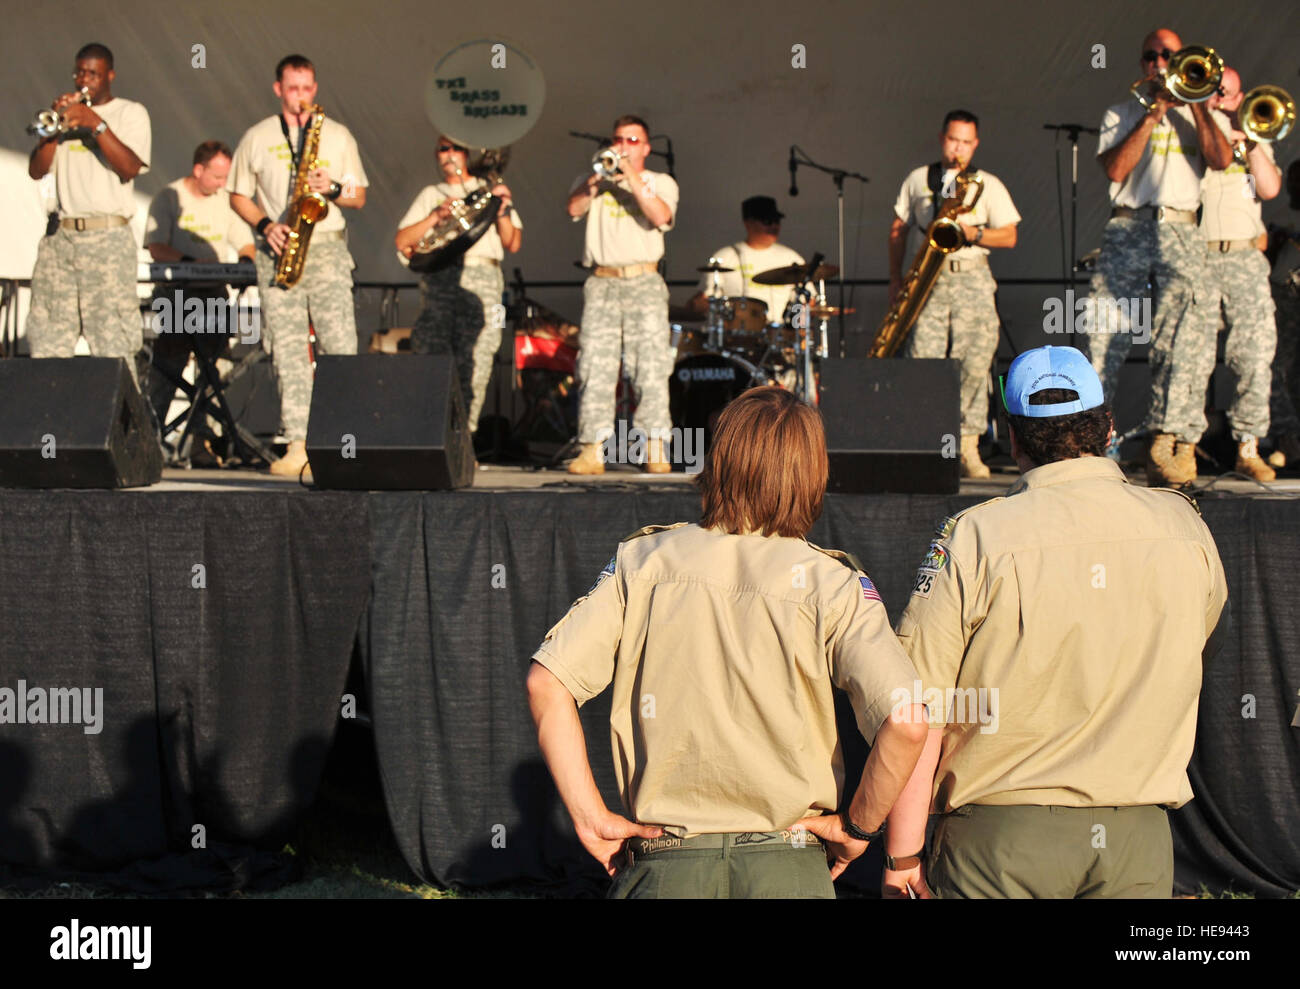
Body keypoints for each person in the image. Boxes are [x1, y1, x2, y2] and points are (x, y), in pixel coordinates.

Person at [527, 387, 927, 898]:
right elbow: (909, 721)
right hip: (789, 868)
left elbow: (547, 683)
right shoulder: (833, 583)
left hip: (666, 867)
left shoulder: (644, 562)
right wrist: (858, 828)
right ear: (813, 474)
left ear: (718, 461)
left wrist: (589, 816)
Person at [883, 345, 1228, 899]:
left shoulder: (975, 535)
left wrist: (902, 854)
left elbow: (918, 708)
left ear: (1012, 437)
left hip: (998, 842)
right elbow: (1202, 645)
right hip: (1135, 838)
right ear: (1109, 427)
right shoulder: (1184, 526)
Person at [1084, 28, 1233, 488]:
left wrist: (1200, 109)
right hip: (1129, 226)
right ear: (1142, 63)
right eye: (1151, 56)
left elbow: (1222, 161)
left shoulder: (1201, 114)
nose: (1160, 63)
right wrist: (1153, 114)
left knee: (1183, 338)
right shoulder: (1122, 111)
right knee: (1105, 337)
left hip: (1182, 229)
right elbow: (1115, 169)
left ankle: (1166, 441)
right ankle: (1097, 450)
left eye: (1170, 56)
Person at [228, 54, 368, 480]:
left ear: (316, 89)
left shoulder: (338, 135)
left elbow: (358, 196)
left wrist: (335, 187)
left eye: (308, 88)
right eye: (293, 88)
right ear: (278, 89)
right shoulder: (257, 136)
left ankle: (344, 437)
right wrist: (266, 225)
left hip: (325, 248)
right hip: (280, 246)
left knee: (339, 345)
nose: (301, 97)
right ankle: (298, 442)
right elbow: (237, 195)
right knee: (287, 348)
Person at [888, 110, 1020, 479]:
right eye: (952, 140)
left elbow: (1009, 235)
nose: (957, 148)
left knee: (974, 364)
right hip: (926, 279)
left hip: (972, 277)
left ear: (974, 144)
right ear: (941, 138)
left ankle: (966, 446)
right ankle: (926, 446)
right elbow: (898, 229)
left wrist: (972, 233)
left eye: (965, 142)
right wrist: (894, 279)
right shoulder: (919, 179)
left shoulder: (986, 183)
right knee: (923, 363)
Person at [25, 43, 151, 383]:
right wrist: (53, 131)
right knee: (48, 338)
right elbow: (37, 171)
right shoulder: (66, 119)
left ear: (110, 74)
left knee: (113, 343)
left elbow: (129, 167)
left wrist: (96, 124)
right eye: (80, 72)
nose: (85, 79)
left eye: (93, 73)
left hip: (107, 238)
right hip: (60, 239)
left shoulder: (130, 113)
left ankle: (120, 433)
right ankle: (49, 427)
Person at [565, 115, 679, 475]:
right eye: (619, 140)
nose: (624, 147)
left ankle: (655, 446)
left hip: (644, 280)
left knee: (650, 366)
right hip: (603, 281)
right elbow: (573, 208)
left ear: (645, 147)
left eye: (632, 141)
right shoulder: (591, 180)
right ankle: (592, 449)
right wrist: (599, 177)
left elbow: (660, 215)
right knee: (595, 366)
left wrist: (630, 176)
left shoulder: (661, 181)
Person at [395, 135, 521, 435]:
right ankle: (430, 435)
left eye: (455, 148)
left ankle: (463, 437)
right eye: (442, 149)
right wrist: (436, 216)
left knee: (477, 359)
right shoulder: (431, 193)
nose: (449, 154)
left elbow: (513, 242)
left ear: (467, 153)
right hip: (441, 278)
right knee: (433, 357)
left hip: (483, 278)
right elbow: (402, 241)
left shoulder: (487, 190)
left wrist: (500, 208)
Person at [1193, 67, 1282, 482]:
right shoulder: (1192, 129)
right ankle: (1183, 443)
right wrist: (1207, 119)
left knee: (1255, 355)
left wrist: (1248, 141)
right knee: (1191, 357)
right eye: (1214, 92)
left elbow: (1269, 189)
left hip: (1245, 258)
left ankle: (1248, 446)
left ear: (1241, 96)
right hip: (1200, 255)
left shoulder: (1255, 136)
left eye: (1227, 94)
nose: (1220, 99)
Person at [143, 140, 255, 443]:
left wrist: (245, 261)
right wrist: (192, 263)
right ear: (198, 169)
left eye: (225, 177)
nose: (222, 183)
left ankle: (203, 439)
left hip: (214, 294)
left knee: (213, 370)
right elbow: (156, 247)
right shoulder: (169, 197)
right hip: (176, 294)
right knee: (168, 366)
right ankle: (150, 436)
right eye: (217, 177)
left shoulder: (224, 200)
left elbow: (245, 242)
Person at [687, 195, 804, 320]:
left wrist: (797, 327)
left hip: (778, 334)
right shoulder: (725, 256)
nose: (774, 226)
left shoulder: (791, 258)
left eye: (777, 221)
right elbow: (703, 300)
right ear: (748, 223)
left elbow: (806, 302)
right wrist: (699, 305)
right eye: (768, 222)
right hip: (733, 334)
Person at [1266, 161, 1300, 469]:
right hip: (1285, 296)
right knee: (1278, 368)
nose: (1294, 186)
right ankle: (1287, 439)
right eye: (1292, 180)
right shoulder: (1279, 216)